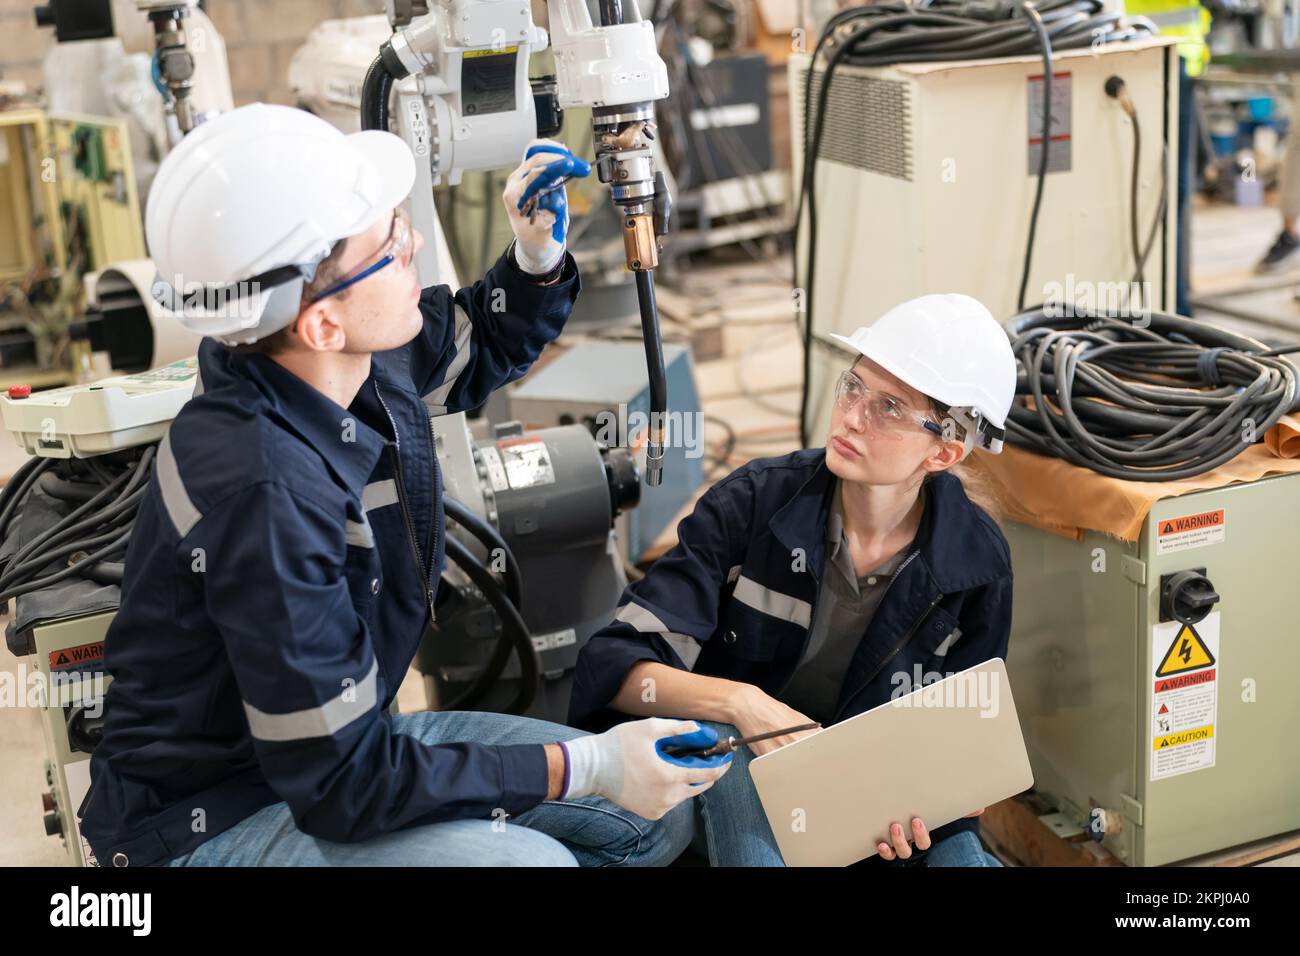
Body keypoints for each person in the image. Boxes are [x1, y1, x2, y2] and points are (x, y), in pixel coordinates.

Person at [80, 103, 729, 868]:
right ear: (320, 322)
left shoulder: (332, 360)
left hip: (349, 741)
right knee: (534, 864)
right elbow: (344, 789)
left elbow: (471, 340)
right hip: (217, 813)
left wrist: (532, 257)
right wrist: (588, 766)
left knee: (652, 824)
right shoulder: (262, 493)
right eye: (389, 242)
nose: (413, 239)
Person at [569, 293, 1018, 867]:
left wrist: (928, 804)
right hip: (727, 772)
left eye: (889, 408)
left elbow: (960, 745)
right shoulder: (753, 505)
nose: (852, 416)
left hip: (867, 805)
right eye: (853, 388)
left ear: (944, 452)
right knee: (741, 764)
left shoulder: (976, 564)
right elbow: (612, 667)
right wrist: (743, 703)